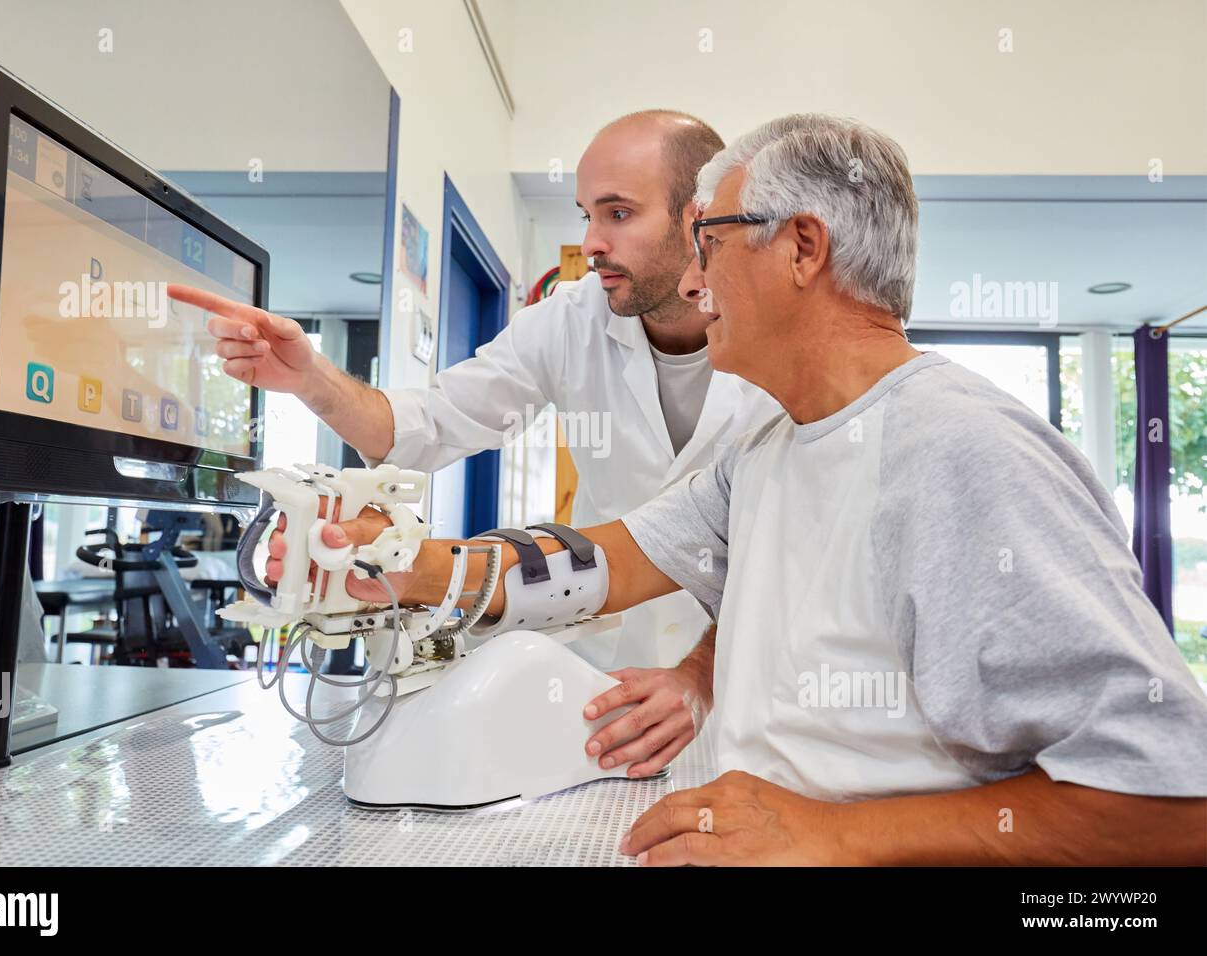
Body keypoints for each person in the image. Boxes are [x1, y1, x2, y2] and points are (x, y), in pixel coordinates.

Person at [291, 113, 1207, 865]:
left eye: (711, 244)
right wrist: (392, 562)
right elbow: (598, 565)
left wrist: (830, 835)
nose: (693, 280)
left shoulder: (962, 451)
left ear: (802, 247)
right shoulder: (772, 445)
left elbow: (1170, 804)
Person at [170, 110, 781, 779]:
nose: (592, 242)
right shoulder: (569, 321)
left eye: (618, 213)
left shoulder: (777, 338)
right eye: (586, 214)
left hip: (747, 686)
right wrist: (311, 378)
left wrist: (702, 674)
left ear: (699, 216)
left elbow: (785, 557)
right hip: (604, 676)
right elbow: (428, 426)